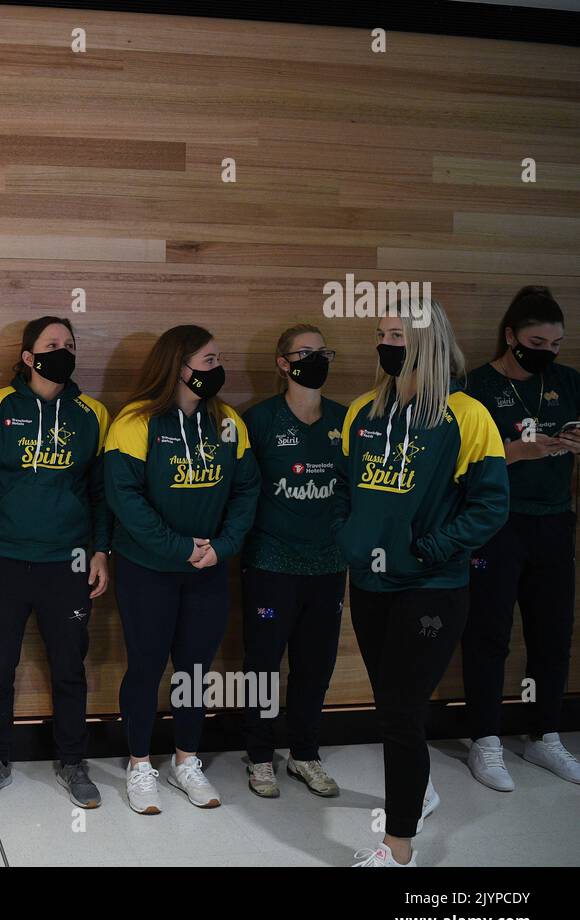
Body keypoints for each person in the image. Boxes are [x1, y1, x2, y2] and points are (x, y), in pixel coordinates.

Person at [337, 299, 509, 867]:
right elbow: (345, 492)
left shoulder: (468, 415)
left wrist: (427, 549)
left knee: (401, 712)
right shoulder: (362, 411)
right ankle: (422, 791)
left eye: (399, 334)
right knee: (393, 704)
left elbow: (490, 507)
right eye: (382, 333)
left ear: (429, 342)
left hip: (432, 587)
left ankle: (399, 849)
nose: (388, 343)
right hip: (369, 583)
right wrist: (351, 543)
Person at [103, 324, 259, 814]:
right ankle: (139, 764)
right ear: (179, 366)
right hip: (146, 570)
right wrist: (179, 548)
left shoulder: (228, 422)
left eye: (218, 359)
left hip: (209, 570)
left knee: (195, 670)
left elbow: (247, 490)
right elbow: (124, 499)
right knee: (146, 668)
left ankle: (185, 761)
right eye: (209, 361)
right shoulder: (134, 421)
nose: (218, 369)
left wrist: (223, 547)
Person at [0, 316, 110, 809]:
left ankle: (73, 761)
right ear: (28, 357)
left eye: (70, 344)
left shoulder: (93, 413)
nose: (63, 351)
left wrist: (101, 551)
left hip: (67, 563)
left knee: (69, 668)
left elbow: (100, 492)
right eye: (52, 345)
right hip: (3, 559)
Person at [461, 286, 580, 789]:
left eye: (555, 344)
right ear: (510, 336)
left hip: (555, 521)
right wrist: (514, 452)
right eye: (536, 341)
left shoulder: (569, 382)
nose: (546, 352)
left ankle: (544, 734)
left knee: (552, 634)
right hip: (495, 523)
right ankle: (484, 740)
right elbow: (458, 461)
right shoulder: (473, 388)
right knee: (488, 633)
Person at [240, 324, 347, 800]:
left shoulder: (349, 420)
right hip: (270, 563)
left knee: (316, 666)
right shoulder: (258, 420)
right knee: (263, 664)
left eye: (323, 352)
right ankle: (260, 756)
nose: (316, 360)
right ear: (283, 363)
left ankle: (305, 754)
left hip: (328, 566)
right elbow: (240, 492)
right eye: (305, 353)